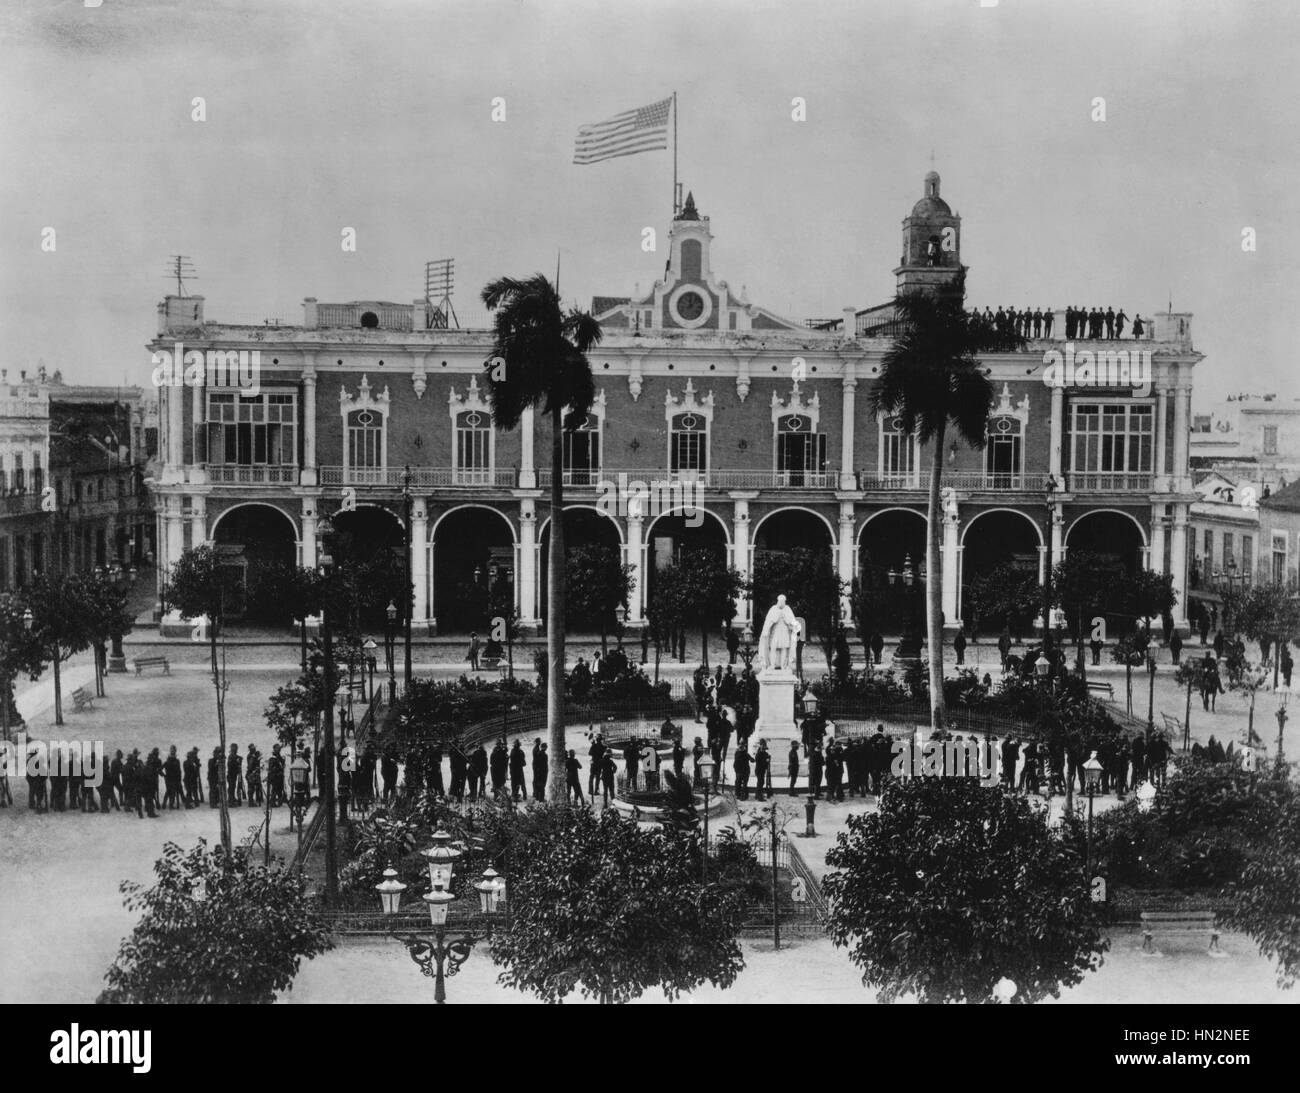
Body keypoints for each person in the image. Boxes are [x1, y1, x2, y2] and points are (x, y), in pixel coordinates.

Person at [163, 746, 183, 810]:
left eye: (174, 750)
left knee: (170, 791)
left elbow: (179, 771)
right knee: (170, 791)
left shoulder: (177, 761)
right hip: (170, 779)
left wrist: (179, 778)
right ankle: (168, 804)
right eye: (172, 750)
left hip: (174, 779)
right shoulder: (168, 762)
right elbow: (159, 769)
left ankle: (168, 804)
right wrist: (164, 775)